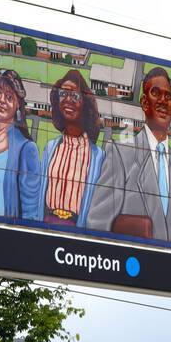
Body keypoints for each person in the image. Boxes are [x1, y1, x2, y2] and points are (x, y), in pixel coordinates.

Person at [87, 66, 171, 247]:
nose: (163, 101)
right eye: (156, 93)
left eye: (168, 97)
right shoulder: (120, 156)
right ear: (144, 102)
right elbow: (97, 225)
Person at [39, 69, 106, 228]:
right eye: (63, 94)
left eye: (75, 96)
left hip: (77, 234)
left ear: (85, 104)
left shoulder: (98, 157)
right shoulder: (50, 148)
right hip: (46, 228)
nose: (68, 100)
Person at [0, 68, 41, 220]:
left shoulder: (26, 148)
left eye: (9, 97)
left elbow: (31, 209)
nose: (2, 100)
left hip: (11, 236)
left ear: (18, 104)